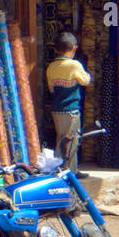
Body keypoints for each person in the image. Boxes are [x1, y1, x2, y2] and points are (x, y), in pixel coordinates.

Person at [46, 31, 92, 176]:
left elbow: (51, 89)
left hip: (56, 110)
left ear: (56, 49)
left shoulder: (51, 67)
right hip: (71, 110)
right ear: (74, 48)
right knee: (72, 141)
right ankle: (72, 171)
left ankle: (59, 168)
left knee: (61, 138)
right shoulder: (75, 65)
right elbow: (85, 81)